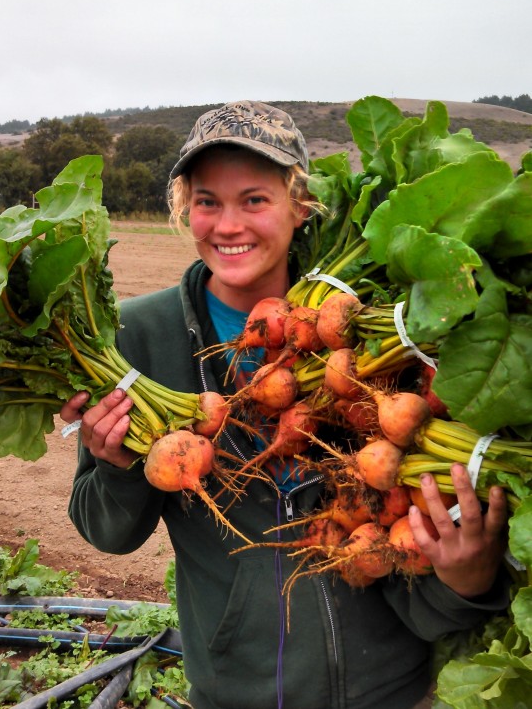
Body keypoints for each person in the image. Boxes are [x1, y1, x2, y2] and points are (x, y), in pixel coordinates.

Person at [62, 100, 509, 709]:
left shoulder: (373, 337)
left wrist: (467, 581)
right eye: (207, 201)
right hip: (235, 691)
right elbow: (106, 532)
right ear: (184, 209)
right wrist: (115, 466)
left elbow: (402, 554)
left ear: (299, 206)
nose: (227, 225)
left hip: (392, 690)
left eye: (254, 199)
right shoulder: (139, 335)